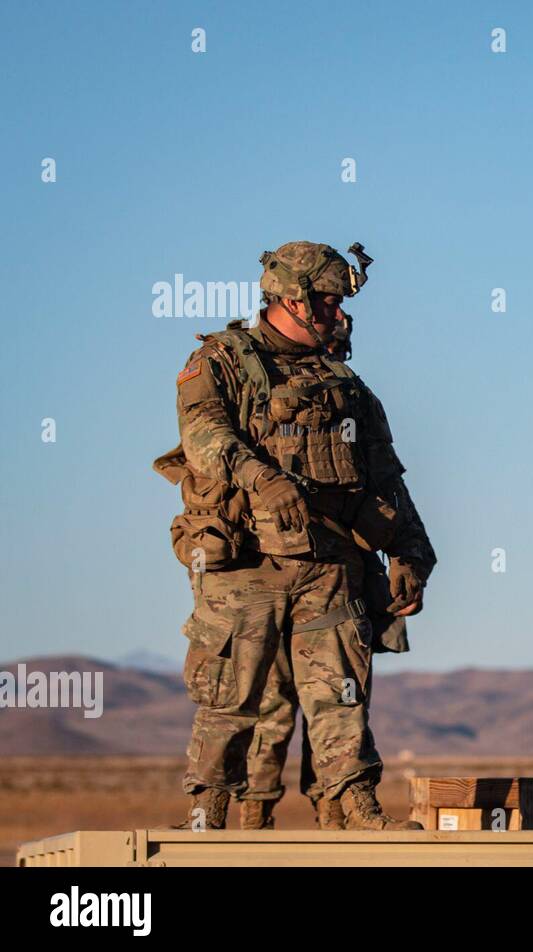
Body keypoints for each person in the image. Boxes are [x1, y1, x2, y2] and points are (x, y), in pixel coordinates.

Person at [154, 241, 435, 830]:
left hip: (329, 564)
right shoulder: (220, 361)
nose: (338, 315)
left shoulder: (345, 384)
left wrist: (411, 550)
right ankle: (209, 809)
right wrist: (261, 477)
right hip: (247, 562)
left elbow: (384, 476)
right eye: (329, 302)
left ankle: (354, 804)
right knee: (232, 695)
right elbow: (205, 436)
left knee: (341, 692)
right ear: (292, 298)